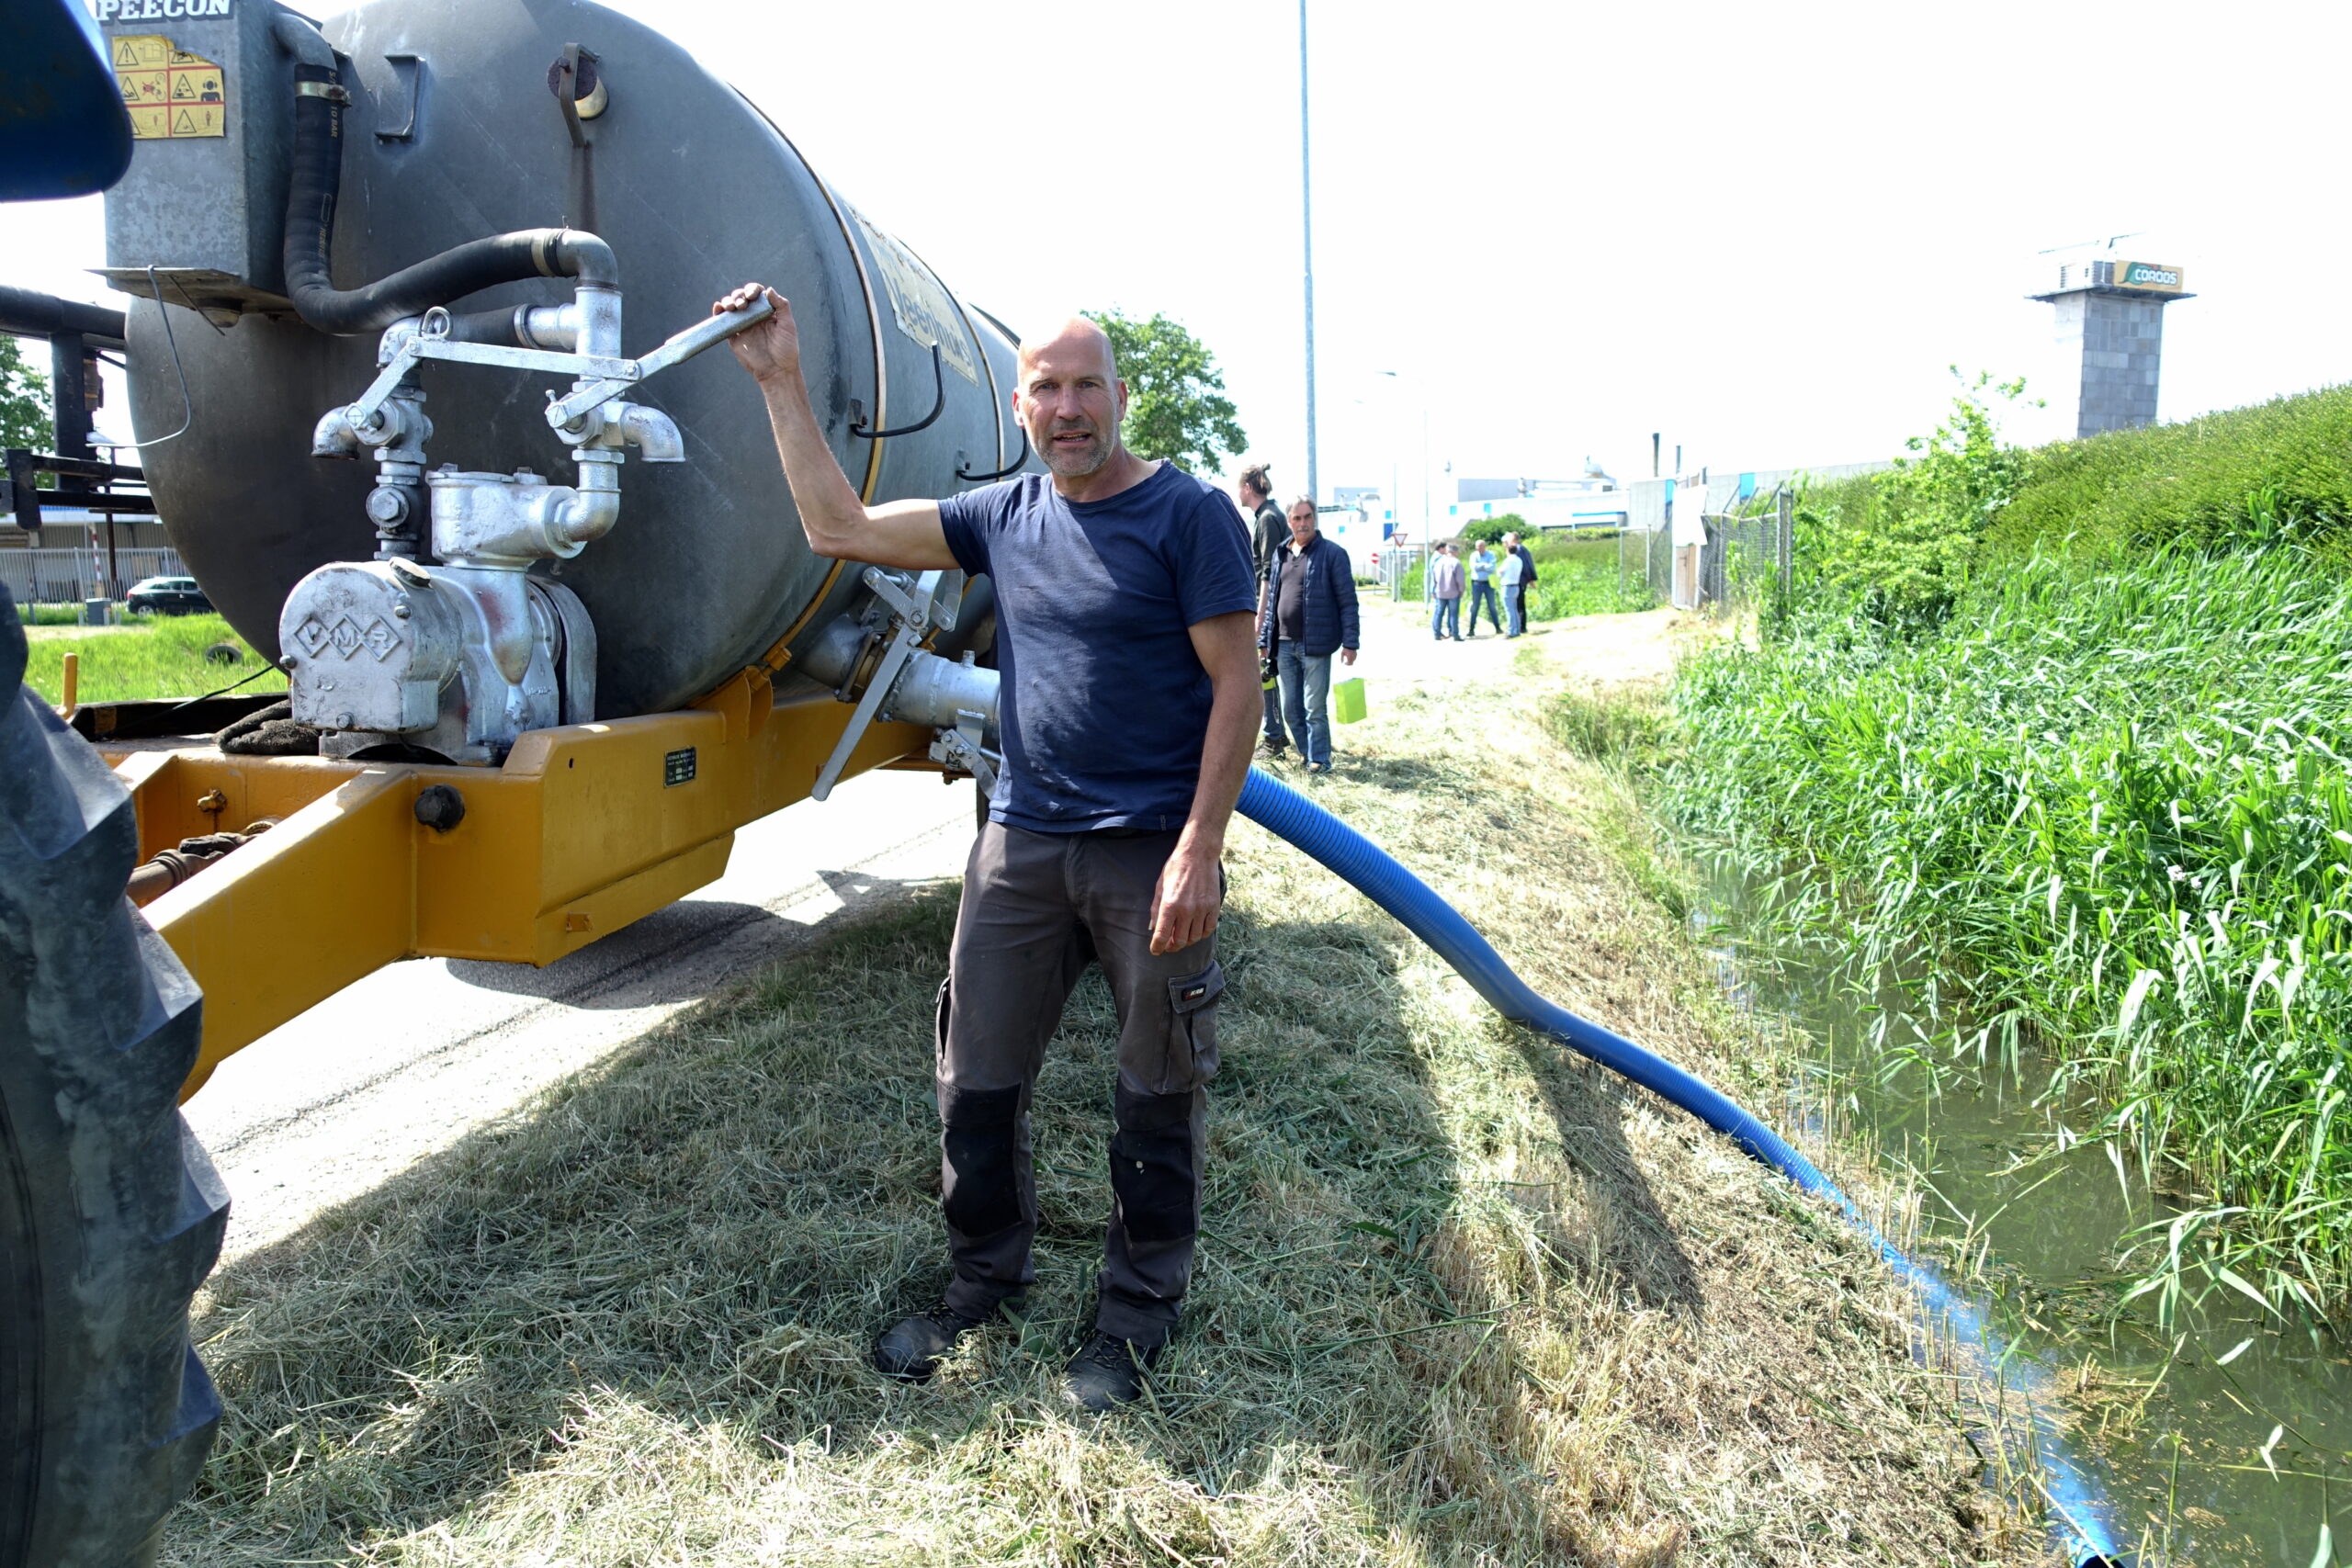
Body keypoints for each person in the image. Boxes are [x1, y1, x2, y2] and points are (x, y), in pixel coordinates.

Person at [716, 283, 1261, 1413]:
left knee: (1155, 1089)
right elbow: (840, 530)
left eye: (1086, 386)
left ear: (1121, 395)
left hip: (1143, 850)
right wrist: (778, 378)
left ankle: (1132, 1317)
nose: (1068, 408)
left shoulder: (1186, 515)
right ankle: (981, 1283)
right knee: (975, 1078)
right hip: (1020, 842)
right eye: (1046, 389)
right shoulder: (1002, 519)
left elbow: (1237, 686)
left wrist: (1198, 849)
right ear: (1019, 406)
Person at [1259, 496, 1360, 773]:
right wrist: (1265, 641)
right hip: (1284, 645)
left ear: (1314, 519)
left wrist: (1350, 642)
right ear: (1289, 521)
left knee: (1315, 708)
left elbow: (1348, 601)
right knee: (1292, 710)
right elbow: (1271, 602)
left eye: (1307, 517)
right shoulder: (1281, 553)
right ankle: (1307, 753)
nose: (1303, 523)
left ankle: (1320, 761)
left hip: (1316, 645)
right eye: (1297, 518)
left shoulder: (1332, 554)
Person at [1237, 464, 1290, 758]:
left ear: (1248, 488)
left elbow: (1268, 572)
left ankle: (1274, 737)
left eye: (1239, 487)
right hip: (1272, 607)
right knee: (1267, 673)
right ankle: (1276, 733)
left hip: (1270, 609)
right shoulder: (1268, 515)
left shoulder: (1268, 519)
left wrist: (1260, 616)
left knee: (1265, 671)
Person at [1428, 541, 1464, 641]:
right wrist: (1461, 591)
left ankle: (1436, 634)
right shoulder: (1456, 562)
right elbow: (1460, 580)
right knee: (1453, 613)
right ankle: (1455, 634)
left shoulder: (1438, 562)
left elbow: (1433, 577)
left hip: (1440, 591)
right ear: (1455, 552)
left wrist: (1433, 590)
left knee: (1439, 613)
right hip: (1453, 592)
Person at [1465, 539, 1502, 637]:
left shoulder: (1491, 555)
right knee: (1475, 606)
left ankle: (1497, 627)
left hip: (1489, 583)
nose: (1479, 548)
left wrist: (1480, 566)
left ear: (1484, 546)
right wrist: (1485, 566)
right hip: (1476, 583)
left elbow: (1492, 567)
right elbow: (1473, 567)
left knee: (1492, 606)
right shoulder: (1473, 555)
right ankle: (1471, 629)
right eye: (1477, 546)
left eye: (1481, 546)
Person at [1498, 530, 1529, 637]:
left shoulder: (1508, 561)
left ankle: (1512, 630)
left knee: (1509, 609)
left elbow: (1500, 572)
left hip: (1507, 586)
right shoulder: (1519, 560)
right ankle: (1517, 629)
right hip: (1516, 585)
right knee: (1515, 609)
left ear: (1508, 550)